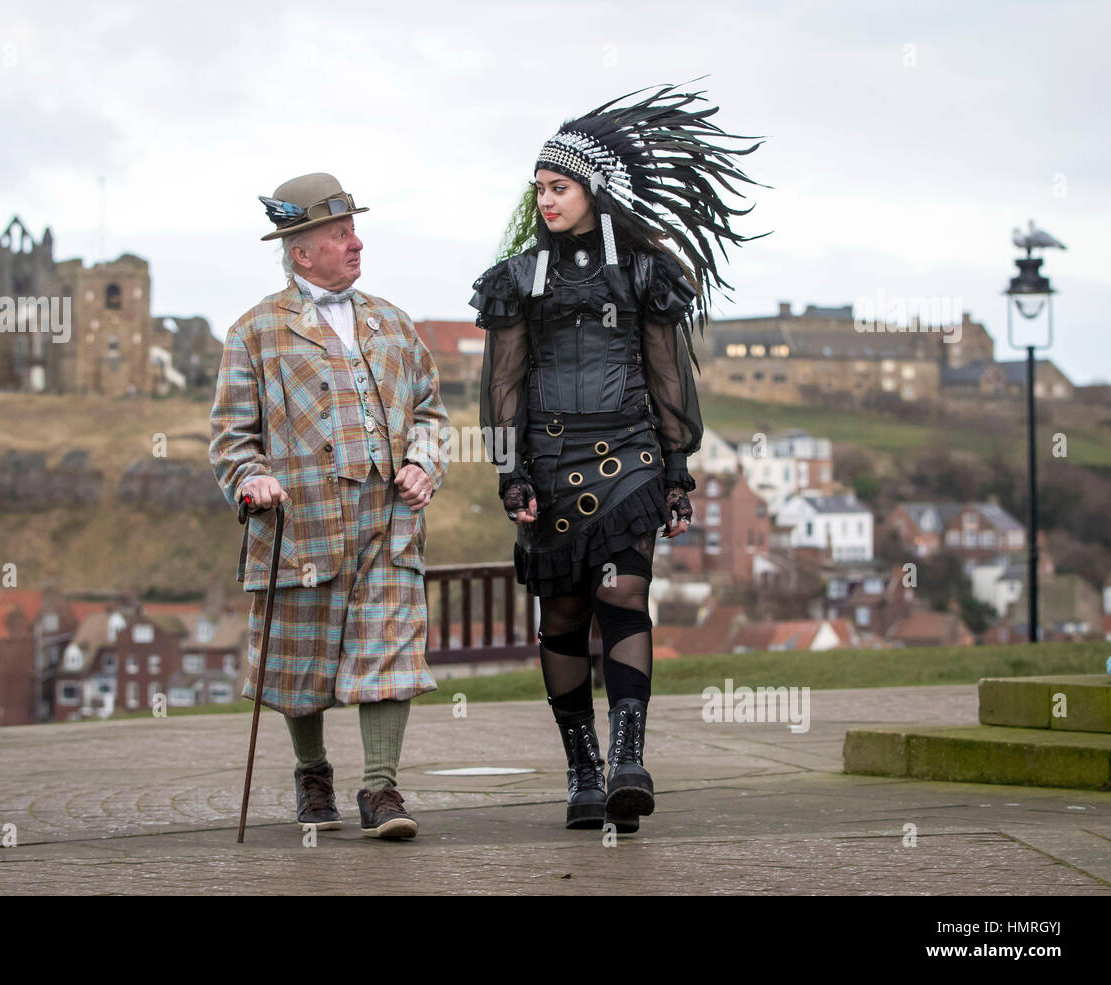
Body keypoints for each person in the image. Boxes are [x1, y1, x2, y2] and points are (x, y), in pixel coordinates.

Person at [469, 85, 764, 832]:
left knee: (623, 597)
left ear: (592, 191)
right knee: (563, 616)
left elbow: (668, 374)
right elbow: (501, 384)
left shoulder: (641, 273)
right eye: (538, 189)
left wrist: (674, 467)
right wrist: (510, 475)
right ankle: (583, 769)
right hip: (546, 463)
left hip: (627, 458)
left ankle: (630, 757)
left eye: (558, 187)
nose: (546, 200)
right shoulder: (517, 281)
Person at [210, 172, 449, 839]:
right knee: (299, 657)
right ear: (301, 251)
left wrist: (424, 462)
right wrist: (252, 479)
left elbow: (431, 412)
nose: (355, 242)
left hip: (388, 524)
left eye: (353, 230)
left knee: (390, 648)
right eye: (340, 233)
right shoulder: (254, 332)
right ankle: (313, 773)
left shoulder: (395, 324)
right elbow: (232, 439)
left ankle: (381, 790)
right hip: (302, 524)